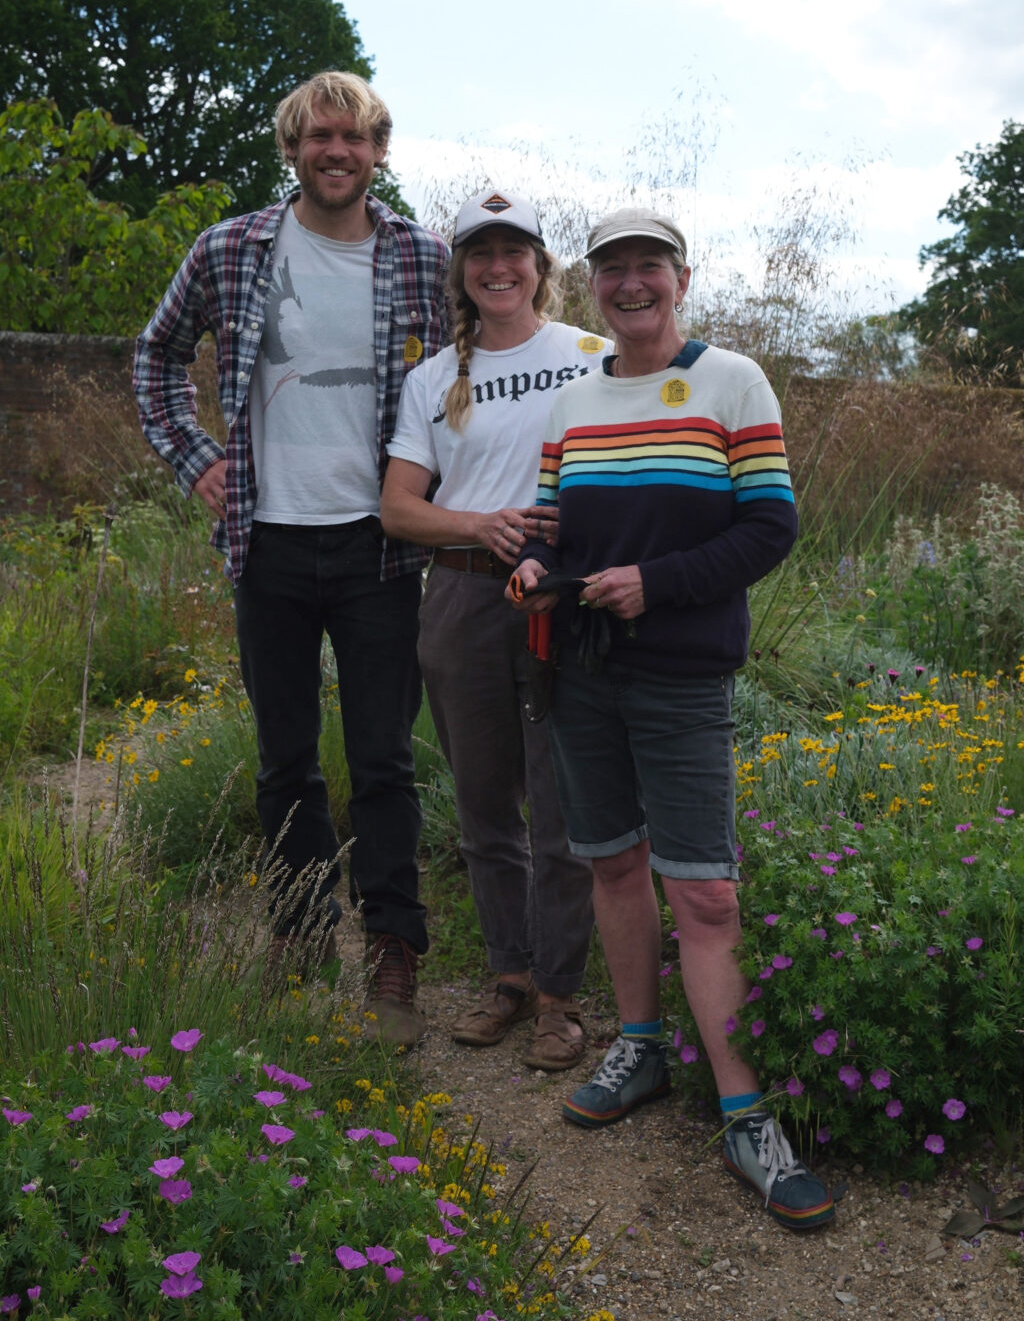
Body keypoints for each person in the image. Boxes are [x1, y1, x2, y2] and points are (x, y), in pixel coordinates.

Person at [510, 208, 834, 1229]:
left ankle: (745, 1113)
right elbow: (552, 524)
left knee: (705, 895)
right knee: (612, 864)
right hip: (583, 672)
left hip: (683, 675)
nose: (631, 283)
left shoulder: (732, 382)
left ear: (681, 280)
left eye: (649, 265)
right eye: (612, 269)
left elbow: (770, 526)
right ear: (594, 287)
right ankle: (641, 1049)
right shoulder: (571, 400)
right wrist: (533, 567)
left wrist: (657, 584)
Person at [132, 70, 450, 1046]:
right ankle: (301, 931)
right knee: (285, 759)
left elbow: (474, 373)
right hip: (266, 537)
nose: (335, 152)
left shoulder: (423, 258)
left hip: (381, 547)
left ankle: (392, 949)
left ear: (378, 151)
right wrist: (198, 461)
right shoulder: (230, 248)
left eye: (353, 138)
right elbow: (154, 356)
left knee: (384, 759)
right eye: (318, 137)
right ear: (292, 148)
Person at [381, 190, 609, 1069]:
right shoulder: (432, 378)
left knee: (561, 810)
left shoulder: (590, 357)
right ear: (462, 272)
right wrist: (477, 524)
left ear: (540, 268)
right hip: (463, 600)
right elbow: (398, 508)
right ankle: (509, 978)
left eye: (516, 252)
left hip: (561, 601)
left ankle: (560, 996)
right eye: (481, 254)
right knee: (484, 809)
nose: (499, 267)